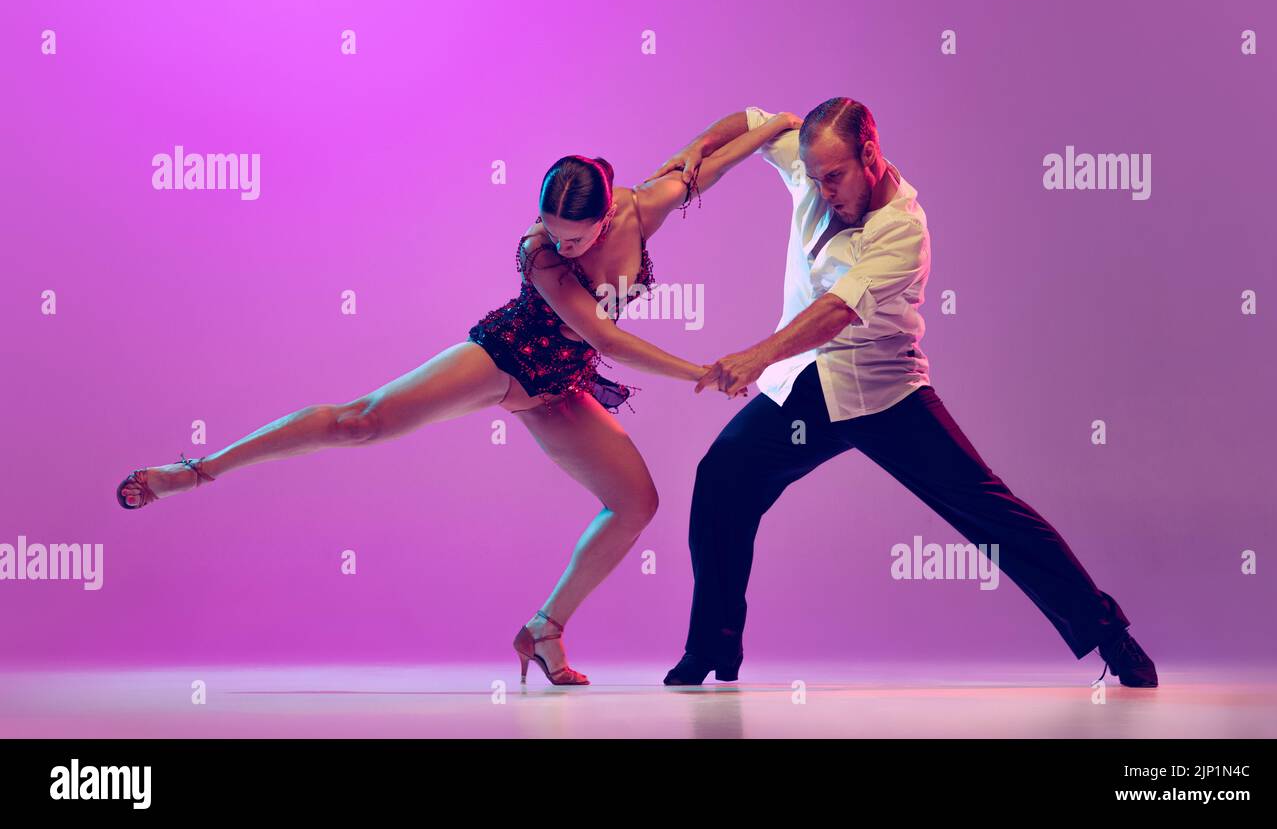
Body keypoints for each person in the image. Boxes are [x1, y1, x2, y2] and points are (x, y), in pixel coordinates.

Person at [113, 113, 800, 685]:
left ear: (608, 211)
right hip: (504, 359)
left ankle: (544, 630)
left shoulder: (644, 208)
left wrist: (774, 126)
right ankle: (195, 469)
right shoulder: (539, 254)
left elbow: (700, 160)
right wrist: (704, 370)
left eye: (574, 235)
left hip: (558, 387)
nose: (557, 241)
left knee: (637, 504)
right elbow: (606, 337)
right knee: (362, 422)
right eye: (549, 227)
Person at [653, 99, 1159, 688]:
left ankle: (1110, 636)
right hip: (807, 385)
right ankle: (712, 648)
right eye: (814, 178)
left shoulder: (903, 228)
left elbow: (836, 311)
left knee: (989, 510)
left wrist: (758, 355)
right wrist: (695, 151)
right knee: (721, 480)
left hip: (884, 391)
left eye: (835, 177)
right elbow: (753, 121)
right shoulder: (816, 165)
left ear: (870, 155)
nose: (823, 190)